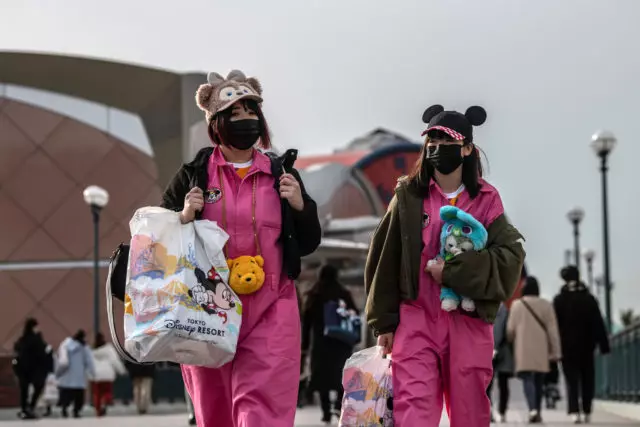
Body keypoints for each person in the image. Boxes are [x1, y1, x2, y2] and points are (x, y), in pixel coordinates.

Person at [161, 70, 321, 427]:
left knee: (260, 411)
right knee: (214, 411)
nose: (245, 120)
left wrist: (300, 207)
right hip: (206, 307)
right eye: (234, 114)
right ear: (216, 122)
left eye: (251, 112)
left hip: (271, 307)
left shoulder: (282, 174)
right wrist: (184, 214)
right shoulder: (194, 174)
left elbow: (309, 242)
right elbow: (159, 240)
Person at [365, 105, 526, 427]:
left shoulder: (486, 199)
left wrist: (454, 272)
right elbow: (384, 254)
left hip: (468, 322)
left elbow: (510, 258)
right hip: (416, 318)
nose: (437, 149)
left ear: (467, 149)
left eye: (447, 142)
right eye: (432, 142)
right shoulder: (408, 195)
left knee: (469, 412)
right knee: (413, 410)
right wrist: (383, 322)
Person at [302, 265, 358, 425]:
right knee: (341, 374)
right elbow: (353, 315)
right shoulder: (343, 294)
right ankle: (339, 405)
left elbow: (307, 323)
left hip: (321, 343)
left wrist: (305, 345)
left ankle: (326, 412)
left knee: (322, 378)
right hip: (341, 343)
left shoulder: (315, 295)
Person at [554, 265, 610, 424]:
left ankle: (574, 411)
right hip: (587, 346)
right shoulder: (589, 298)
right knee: (588, 378)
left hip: (567, 348)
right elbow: (598, 323)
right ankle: (586, 409)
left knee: (571, 380)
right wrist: (604, 345)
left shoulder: (559, 300)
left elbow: (554, 326)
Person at [507, 277, 561, 424]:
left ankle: (532, 409)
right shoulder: (546, 305)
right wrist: (556, 351)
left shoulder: (516, 305)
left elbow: (510, 331)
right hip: (542, 349)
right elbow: (553, 331)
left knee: (527, 380)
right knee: (538, 381)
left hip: (523, 349)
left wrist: (511, 340)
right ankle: (537, 409)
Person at [12, 318, 49, 419]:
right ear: (33, 327)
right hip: (34, 369)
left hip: (22, 369)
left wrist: (15, 366)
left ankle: (24, 409)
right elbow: (42, 353)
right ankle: (30, 407)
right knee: (38, 387)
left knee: (24, 390)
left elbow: (16, 353)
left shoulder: (22, 339)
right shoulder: (37, 339)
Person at [56, 329, 95, 418]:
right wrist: (92, 373)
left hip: (67, 376)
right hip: (79, 377)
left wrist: (58, 373)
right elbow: (89, 361)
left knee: (66, 395)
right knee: (78, 397)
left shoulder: (66, 345)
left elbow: (61, 359)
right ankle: (76, 411)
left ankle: (64, 409)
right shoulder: (84, 348)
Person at [487, 303, 514, 423]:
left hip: (487, 349)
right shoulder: (505, 310)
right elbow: (508, 331)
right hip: (503, 351)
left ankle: (489, 411)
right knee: (503, 384)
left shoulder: (484, 307)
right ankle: (502, 412)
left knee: (487, 385)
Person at [90, 333, 126, 416]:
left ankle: (98, 411)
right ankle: (106, 401)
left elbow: (89, 363)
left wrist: (89, 374)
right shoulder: (109, 349)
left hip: (96, 375)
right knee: (107, 391)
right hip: (107, 374)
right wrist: (121, 371)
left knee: (97, 394)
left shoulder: (91, 351)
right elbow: (115, 361)